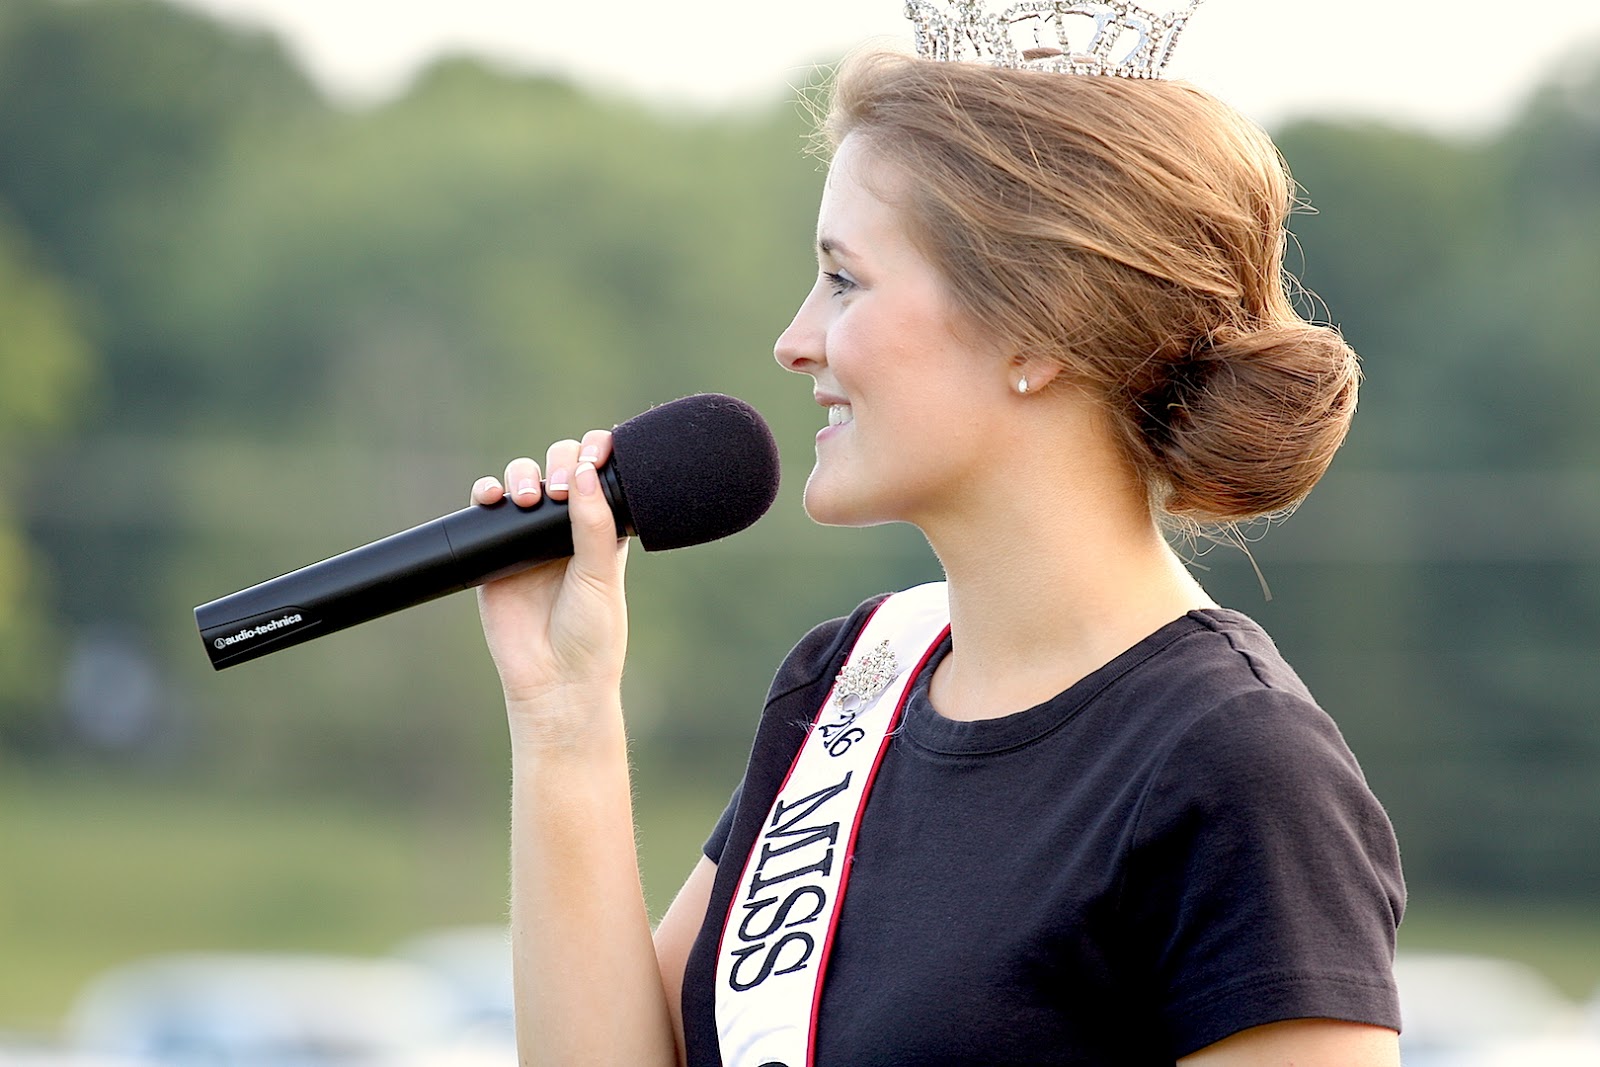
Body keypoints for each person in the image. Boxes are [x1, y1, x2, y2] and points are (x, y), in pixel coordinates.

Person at [466, 20, 1405, 1067]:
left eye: (845, 279)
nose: (794, 339)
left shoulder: (1237, 764)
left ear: (1037, 327)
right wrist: (563, 714)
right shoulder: (852, 680)